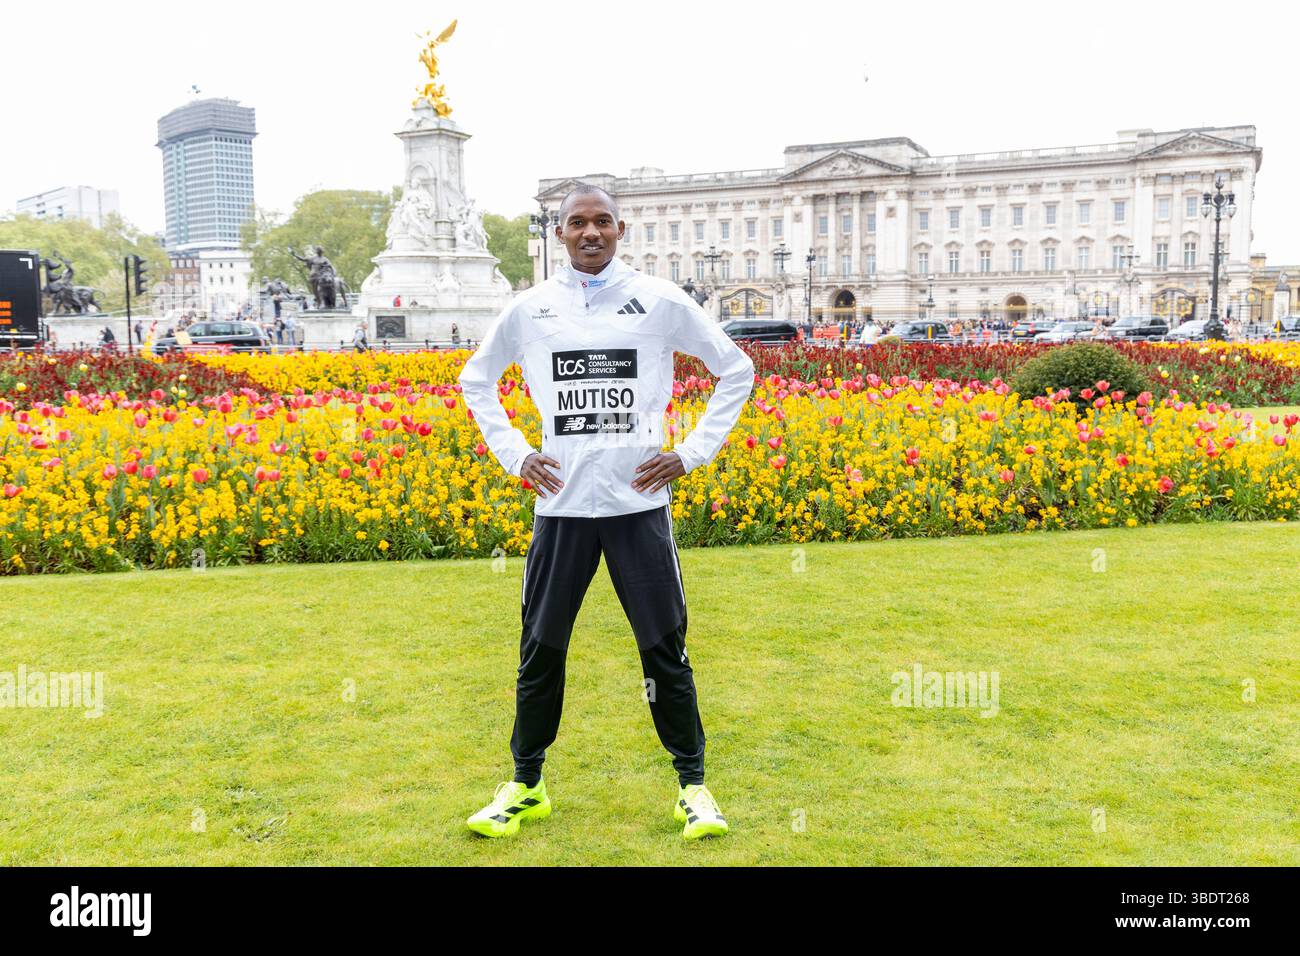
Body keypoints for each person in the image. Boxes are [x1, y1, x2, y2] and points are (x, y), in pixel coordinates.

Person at [458, 185, 754, 841]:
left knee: (664, 652)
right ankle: (525, 786)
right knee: (540, 651)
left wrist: (692, 452)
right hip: (561, 508)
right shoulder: (530, 309)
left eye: (601, 222)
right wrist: (515, 454)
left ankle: (694, 788)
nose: (589, 233)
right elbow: (475, 379)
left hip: (637, 506)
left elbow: (736, 370)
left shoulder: (661, 300)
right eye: (576, 223)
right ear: (559, 233)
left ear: (621, 229)